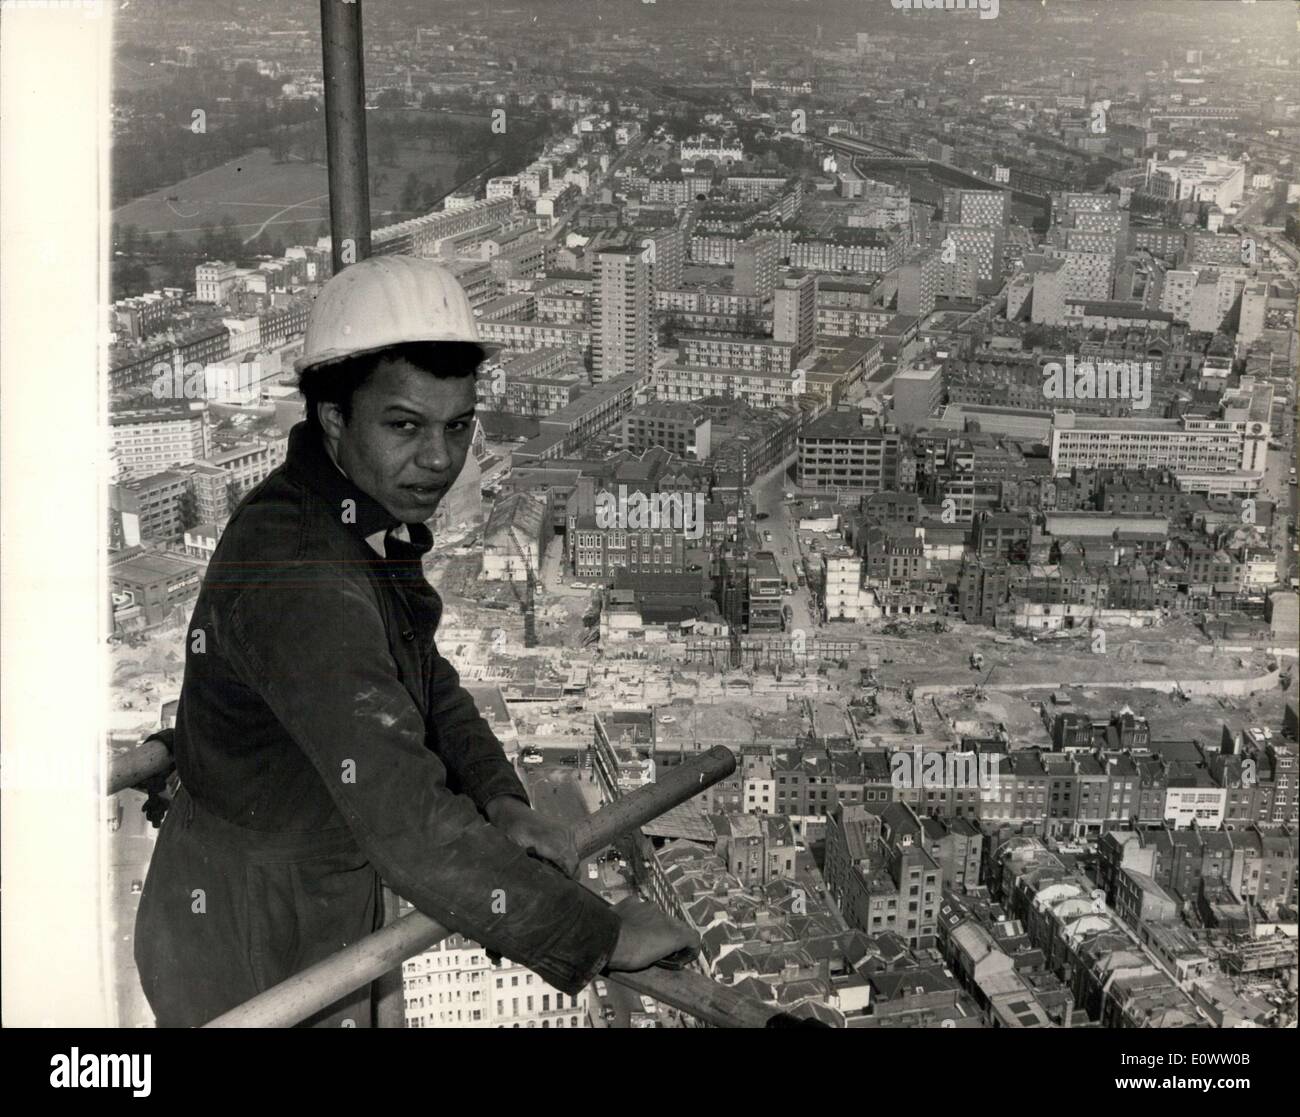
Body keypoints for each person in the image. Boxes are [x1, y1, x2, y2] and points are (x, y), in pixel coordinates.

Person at [134, 256, 697, 1027]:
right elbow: (409, 825)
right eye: (405, 425)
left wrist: (499, 796)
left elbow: (421, 676)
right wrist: (598, 935)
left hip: (315, 882)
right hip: (247, 925)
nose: (440, 458)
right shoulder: (304, 572)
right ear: (333, 416)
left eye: (458, 424)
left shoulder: (348, 513)